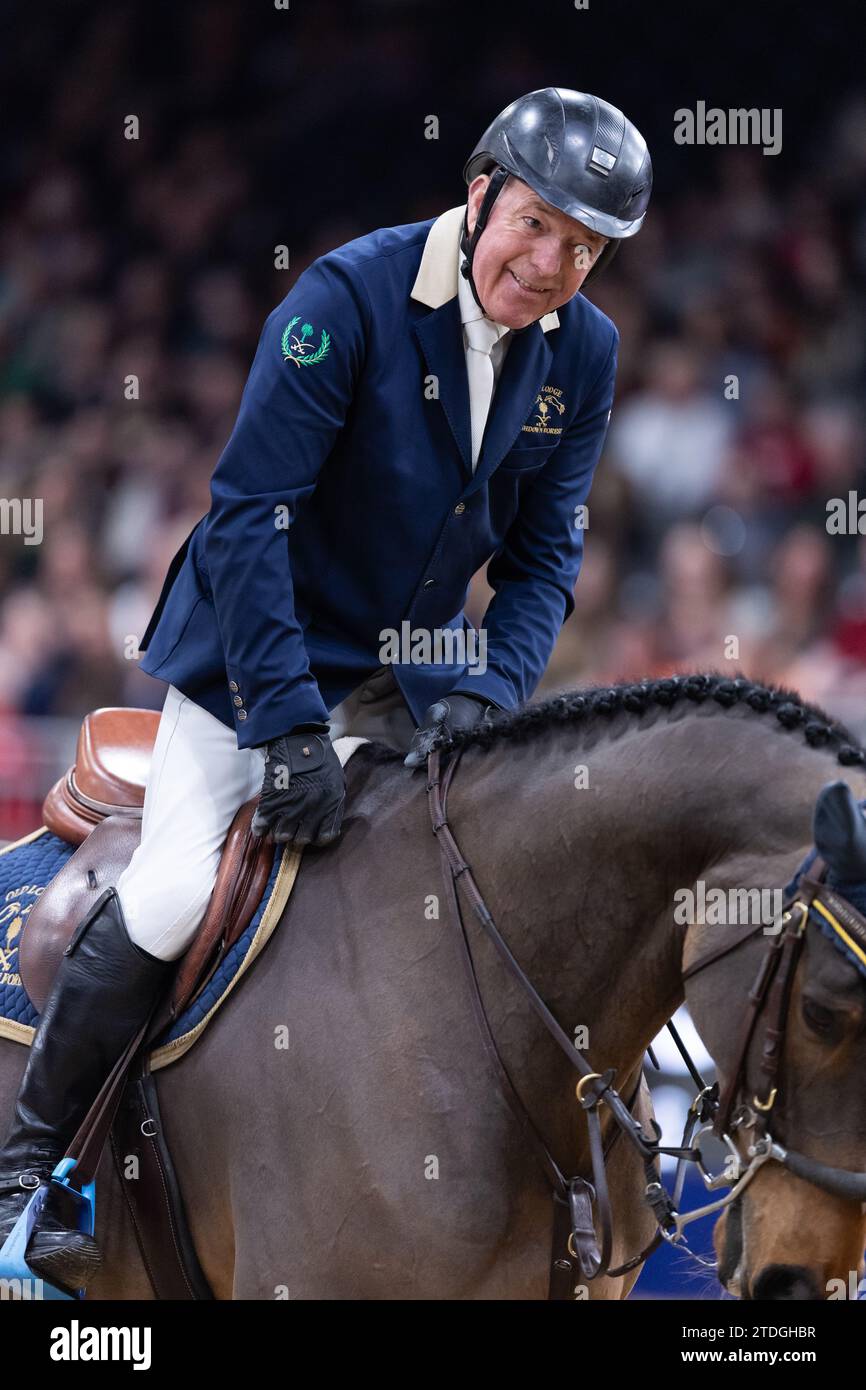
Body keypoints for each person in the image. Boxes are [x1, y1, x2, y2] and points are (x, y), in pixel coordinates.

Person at [0, 88, 651, 1289]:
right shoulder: (344, 299)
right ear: (482, 194)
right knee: (172, 892)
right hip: (251, 652)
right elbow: (249, 519)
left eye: (586, 248)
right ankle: (27, 1174)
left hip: (409, 670)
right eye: (539, 228)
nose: (556, 264)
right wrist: (291, 724)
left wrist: (493, 695)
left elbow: (547, 551)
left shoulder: (587, 353)